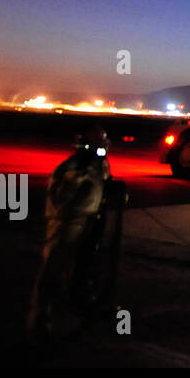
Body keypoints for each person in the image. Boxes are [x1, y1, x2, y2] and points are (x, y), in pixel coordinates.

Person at [26, 125, 112, 340]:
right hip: (68, 223)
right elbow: (58, 201)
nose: (102, 147)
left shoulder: (99, 165)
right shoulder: (72, 167)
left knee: (82, 271)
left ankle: (73, 314)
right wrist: (80, 179)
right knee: (53, 269)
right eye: (98, 142)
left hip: (89, 221)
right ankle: (40, 319)